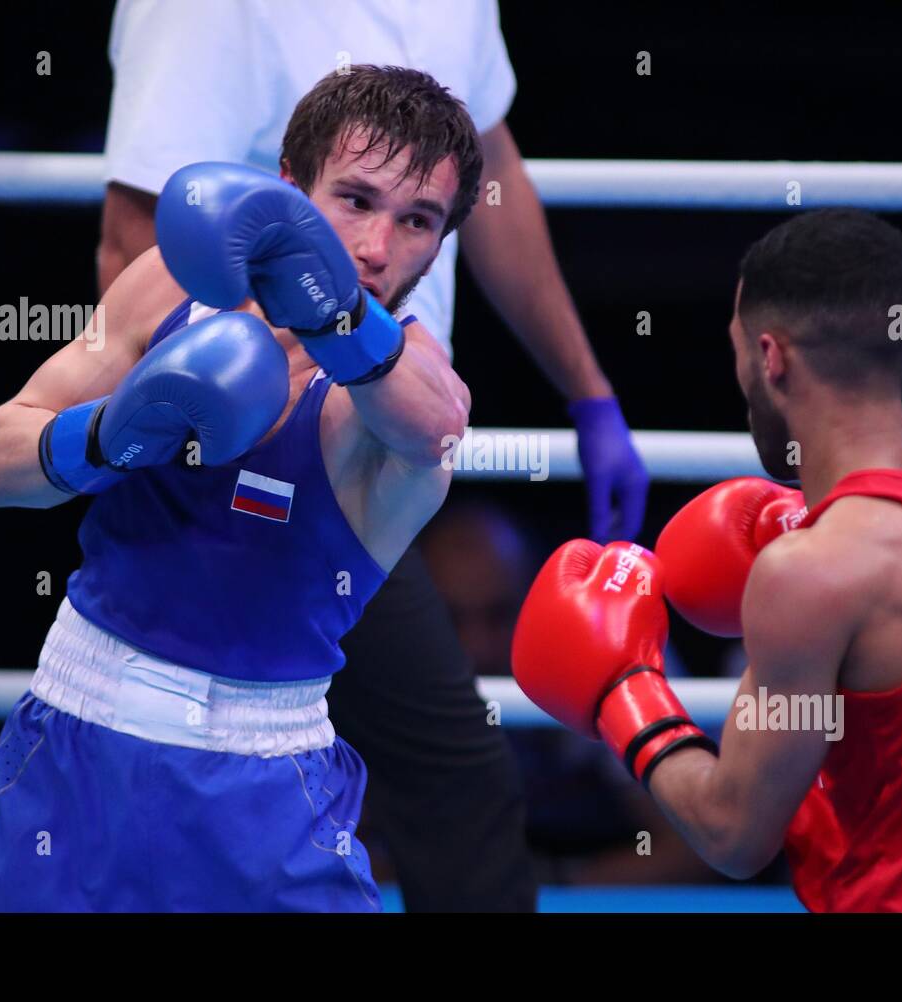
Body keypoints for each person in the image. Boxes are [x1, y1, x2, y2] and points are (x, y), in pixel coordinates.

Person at [98, 0, 648, 911]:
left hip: (388, 448)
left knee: (431, 780)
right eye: (355, 202)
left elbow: (493, 176)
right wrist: (177, 443)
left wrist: (588, 387)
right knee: (432, 780)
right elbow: (137, 238)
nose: (380, 240)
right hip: (253, 464)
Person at [0, 66, 479, 911]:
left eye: (416, 220)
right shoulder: (172, 288)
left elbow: (434, 427)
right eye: (353, 200)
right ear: (286, 194)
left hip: (265, 789)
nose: (378, 246)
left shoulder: (400, 391)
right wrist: (104, 437)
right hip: (72, 744)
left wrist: (324, 303)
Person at [513, 208, 902, 912]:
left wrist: (624, 695)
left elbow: (734, 833)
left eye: (739, 349)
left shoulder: (810, 574)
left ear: (771, 357)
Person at [420, 499, 712, 884]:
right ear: (417, 618)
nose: (478, 647)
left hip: (587, 866)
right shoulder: (394, 670)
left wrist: (555, 885)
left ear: (532, 600)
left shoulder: (604, 647)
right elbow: (360, 840)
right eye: (451, 617)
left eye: (499, 614)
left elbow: (696, 845)